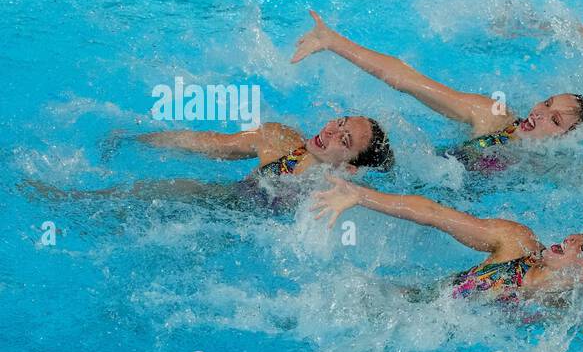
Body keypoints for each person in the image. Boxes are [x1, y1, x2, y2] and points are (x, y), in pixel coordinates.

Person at [291, 11, 583, 173]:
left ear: (565, 139)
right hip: (414, 180)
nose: (539, 113)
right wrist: (334, 42)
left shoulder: (556, 170)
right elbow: (406, 79)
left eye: (554, 120)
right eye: (546, 103)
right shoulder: (493, 118)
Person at [308, 176, 583, 302]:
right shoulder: (516, 244)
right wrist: (360, 195)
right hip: (404, 304)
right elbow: (436, 213)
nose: (574, 238)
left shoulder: (561, 309)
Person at [39, 115, 394, 211]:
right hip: (220, 203)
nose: (330, 130)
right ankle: (69, 199)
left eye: (343, 140)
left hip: (244, 244)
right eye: (340, 122)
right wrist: (133, 138)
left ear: (349, 166)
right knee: (153, 192)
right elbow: (205, 144)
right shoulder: (280, 140)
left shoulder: (342, 193)